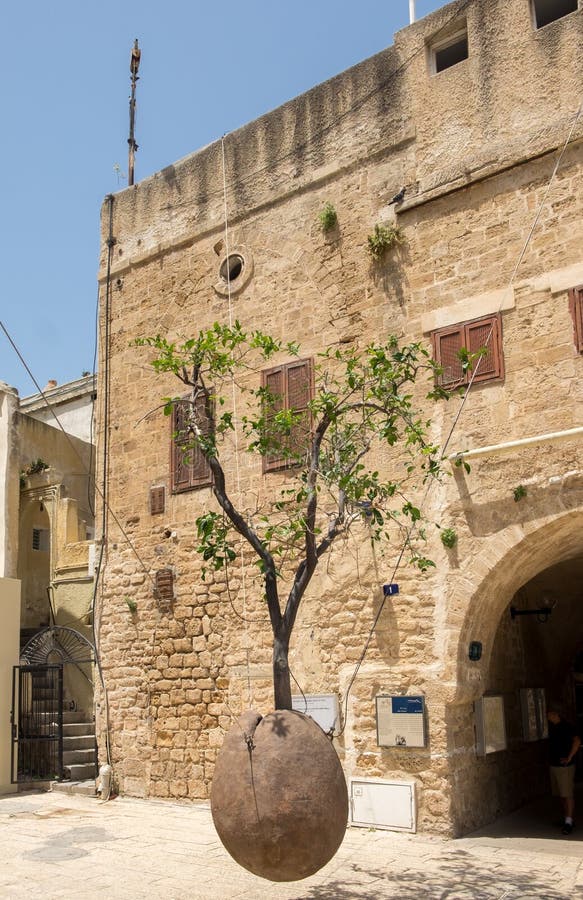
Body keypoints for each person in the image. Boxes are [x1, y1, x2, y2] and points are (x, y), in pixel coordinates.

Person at [547, 707, 581, 835]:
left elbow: (577, 741)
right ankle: (566, 817)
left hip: (565, 767)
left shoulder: (567, 727)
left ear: (556, 714)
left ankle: (569, 822)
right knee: (561, 794)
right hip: (554, 765)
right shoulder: (552, 727)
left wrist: (569, 757)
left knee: (567, 794)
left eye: (549, 714)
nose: (547, 716)